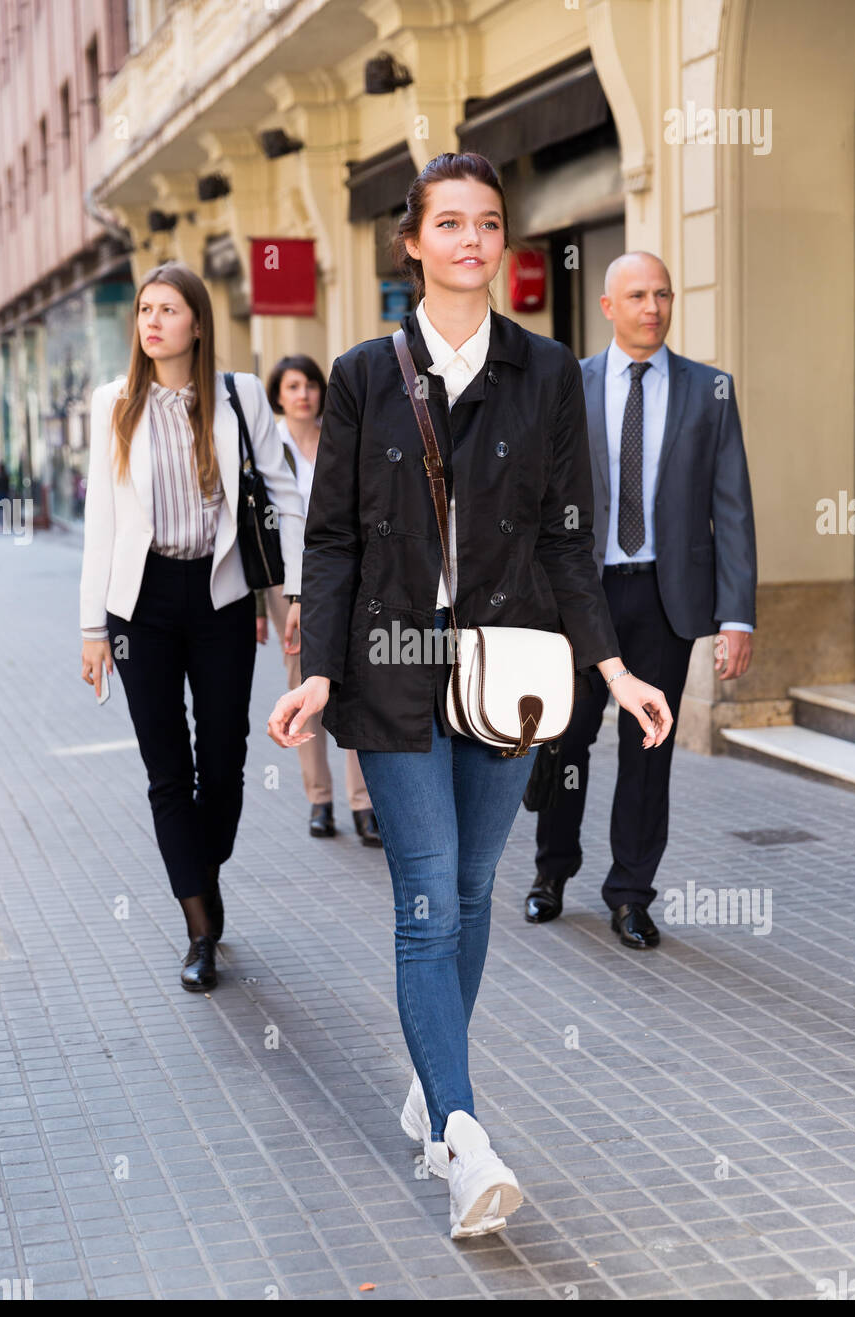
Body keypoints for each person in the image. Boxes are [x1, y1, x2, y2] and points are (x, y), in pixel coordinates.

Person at [267, 153, 672, 1240]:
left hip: (511, 667)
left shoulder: (546, 374)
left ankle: (428, 1077)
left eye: (487, 223)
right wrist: (316, 671)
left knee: (479, 885)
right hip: (392, 663)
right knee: (429, 893)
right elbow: (336, 535)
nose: (470, 240)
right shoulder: (361, 374)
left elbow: (568, 541)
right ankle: (464, 1137)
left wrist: (614, 669)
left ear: (503, 242)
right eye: (447, 223)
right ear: (413, 243)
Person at [79, 261, 305, 992]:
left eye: (167, 309)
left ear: (197, 324)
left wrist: (293, 592)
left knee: (225, 757)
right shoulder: (112, 402)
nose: (150, 321)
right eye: (144, 309)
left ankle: (202, 870)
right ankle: (200, 929)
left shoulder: (238, 396)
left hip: (221, 596)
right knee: (166, 772)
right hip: (138, 605)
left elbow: (282, 491)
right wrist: (91, 629)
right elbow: (100, 523)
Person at [524, 252, 757, 947]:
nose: (650, 307)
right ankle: (550, 871)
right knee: (565, 742)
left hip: (666, 598)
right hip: (578, 598)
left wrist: (735, 614)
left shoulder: (709, 390)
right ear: (607, 307)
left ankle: (629, 892)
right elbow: (538, 497)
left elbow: (732, 505)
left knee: (646, 749)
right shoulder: (571, 384)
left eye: (661, 294)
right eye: (635, 295)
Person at [255, 355, 380, 847]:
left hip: (346, 577)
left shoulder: (339, 436)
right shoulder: (268, 449)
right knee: (303, 687)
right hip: (288, 585)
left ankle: (363, 803)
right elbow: (254, 532)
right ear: (278, 396)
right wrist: (256, 610)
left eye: (310, 385)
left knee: (356, 684)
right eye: (292, 386)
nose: (304, 394)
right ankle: (319, 799)